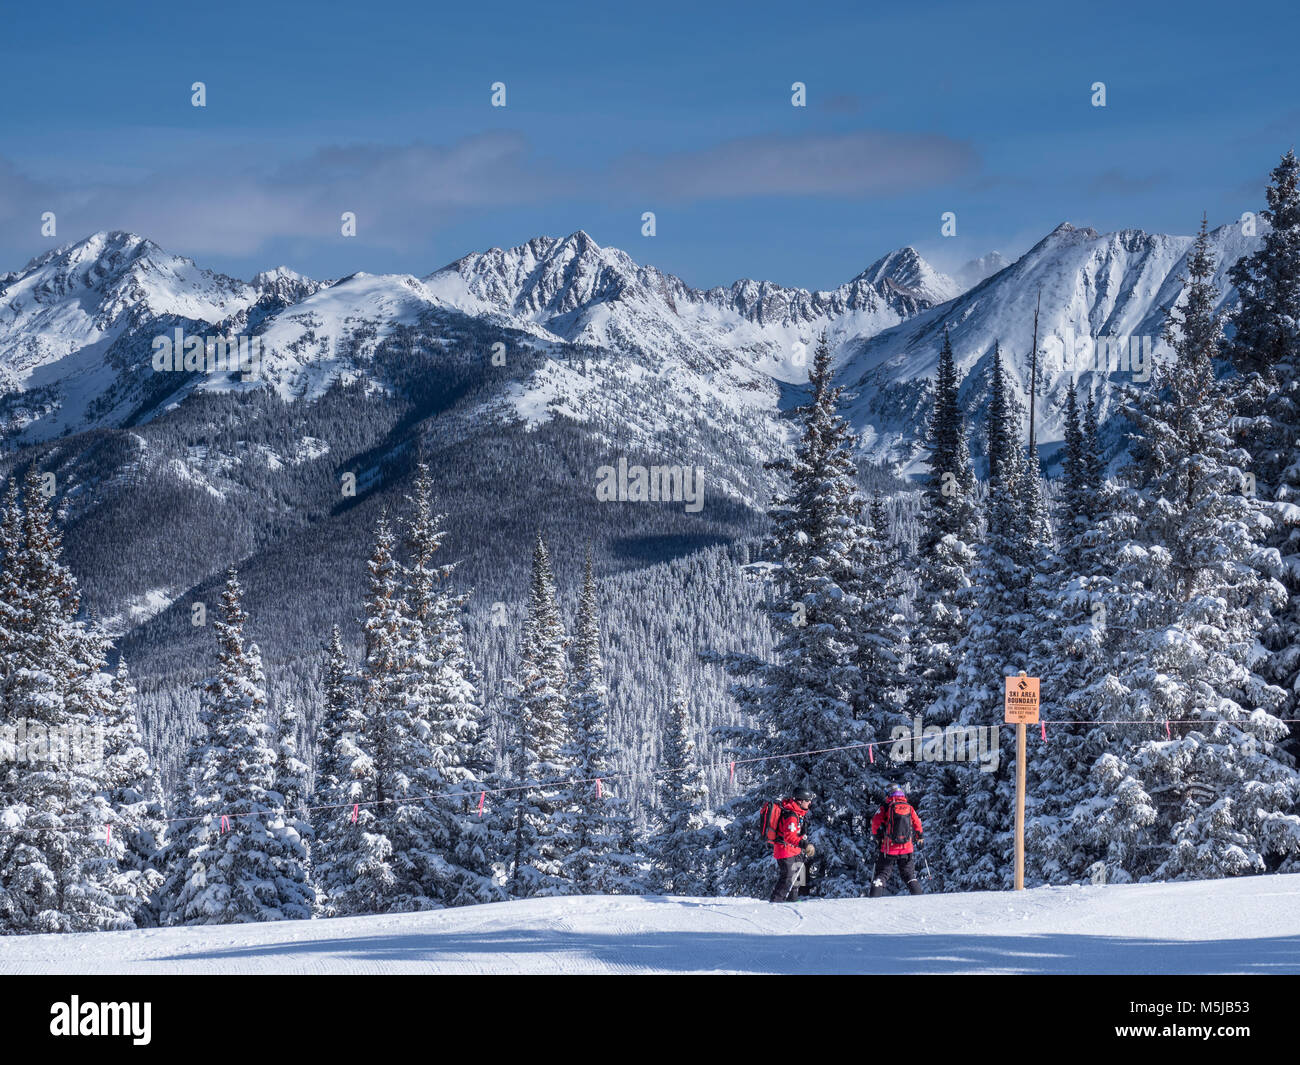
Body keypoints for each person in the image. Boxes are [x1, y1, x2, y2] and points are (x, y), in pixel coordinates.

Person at [869, 785, 923, 897]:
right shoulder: (909, 807)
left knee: (882, 875)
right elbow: (917, 823)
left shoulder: (886, 806)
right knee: (909, 875)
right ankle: (919, 899)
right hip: (907, 848)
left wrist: (877, 837)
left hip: (889, 848)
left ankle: (873, 901)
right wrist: (920, 837)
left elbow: (875, 822)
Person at [769, 787, 816, 903]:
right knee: (788, 877)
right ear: (800, 801)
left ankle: (793, 901)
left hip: (795, 850)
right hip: (784, 849)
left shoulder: (798, 813)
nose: (810, 803)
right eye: (807, 800)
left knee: (798, 878)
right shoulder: (791, 815)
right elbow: (789, 837)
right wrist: (805, 845)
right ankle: (775, 902)